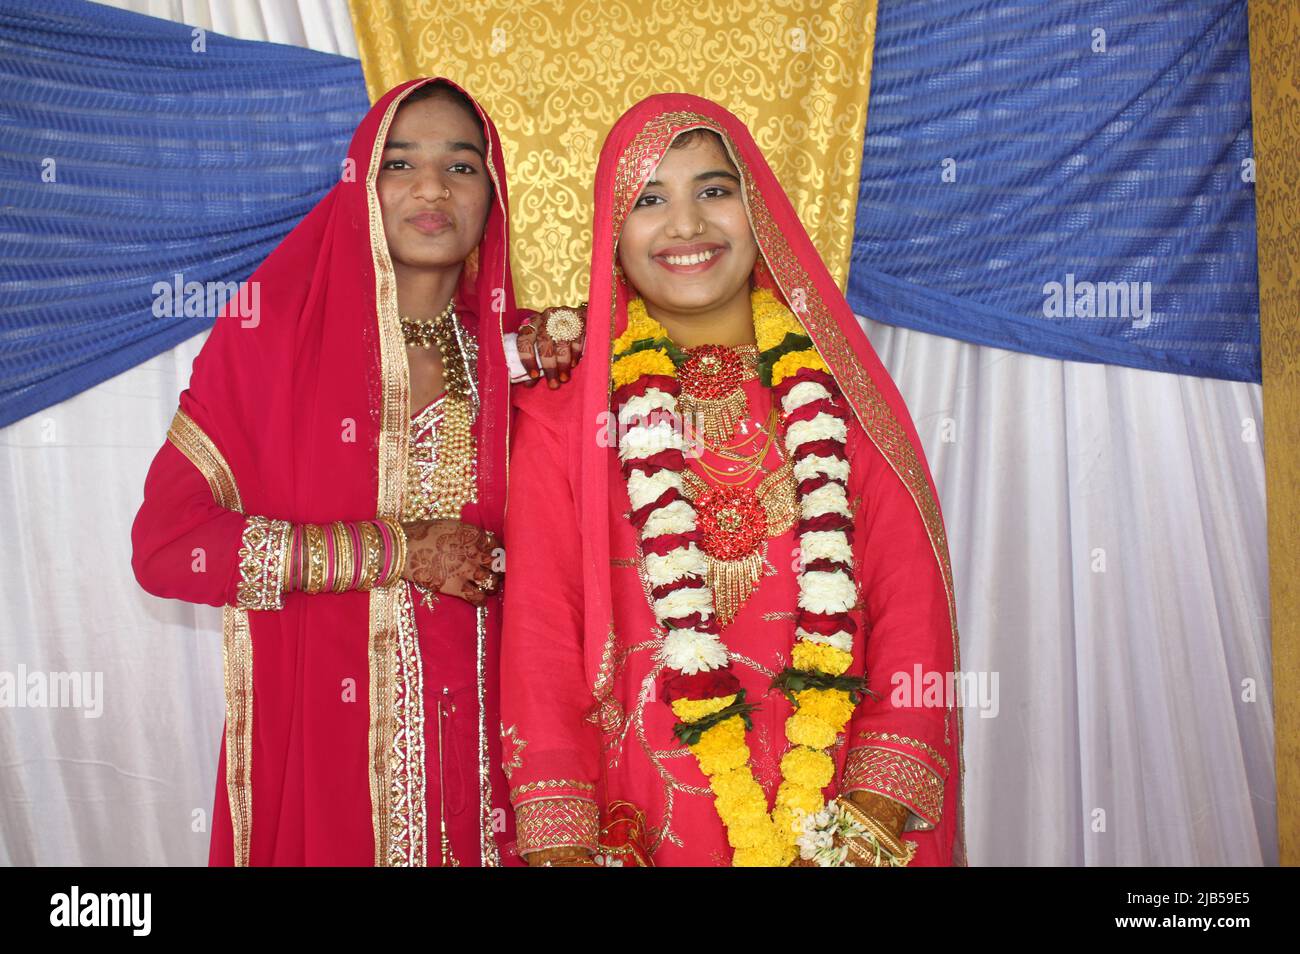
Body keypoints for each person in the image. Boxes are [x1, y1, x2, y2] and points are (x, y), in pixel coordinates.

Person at [499, 93, 966, 867]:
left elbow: (911, 608)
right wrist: (562, 845)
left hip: (835, 812)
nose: (687, 225)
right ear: (611, 234)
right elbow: (541, 639)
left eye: (715, 191)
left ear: (762, 214)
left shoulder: (844, 398)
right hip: (634, 824)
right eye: (650, 200)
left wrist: (873, 811)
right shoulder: (564, 421)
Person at [131, 77, 583, 866]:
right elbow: (169, 547)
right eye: (399, 164)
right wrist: (397, 550)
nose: (432, 188)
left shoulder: (530, 356)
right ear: (360, 187)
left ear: (494, 194)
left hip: (505, 780)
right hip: (332, 775)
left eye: (462, 166)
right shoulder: (269, 349)